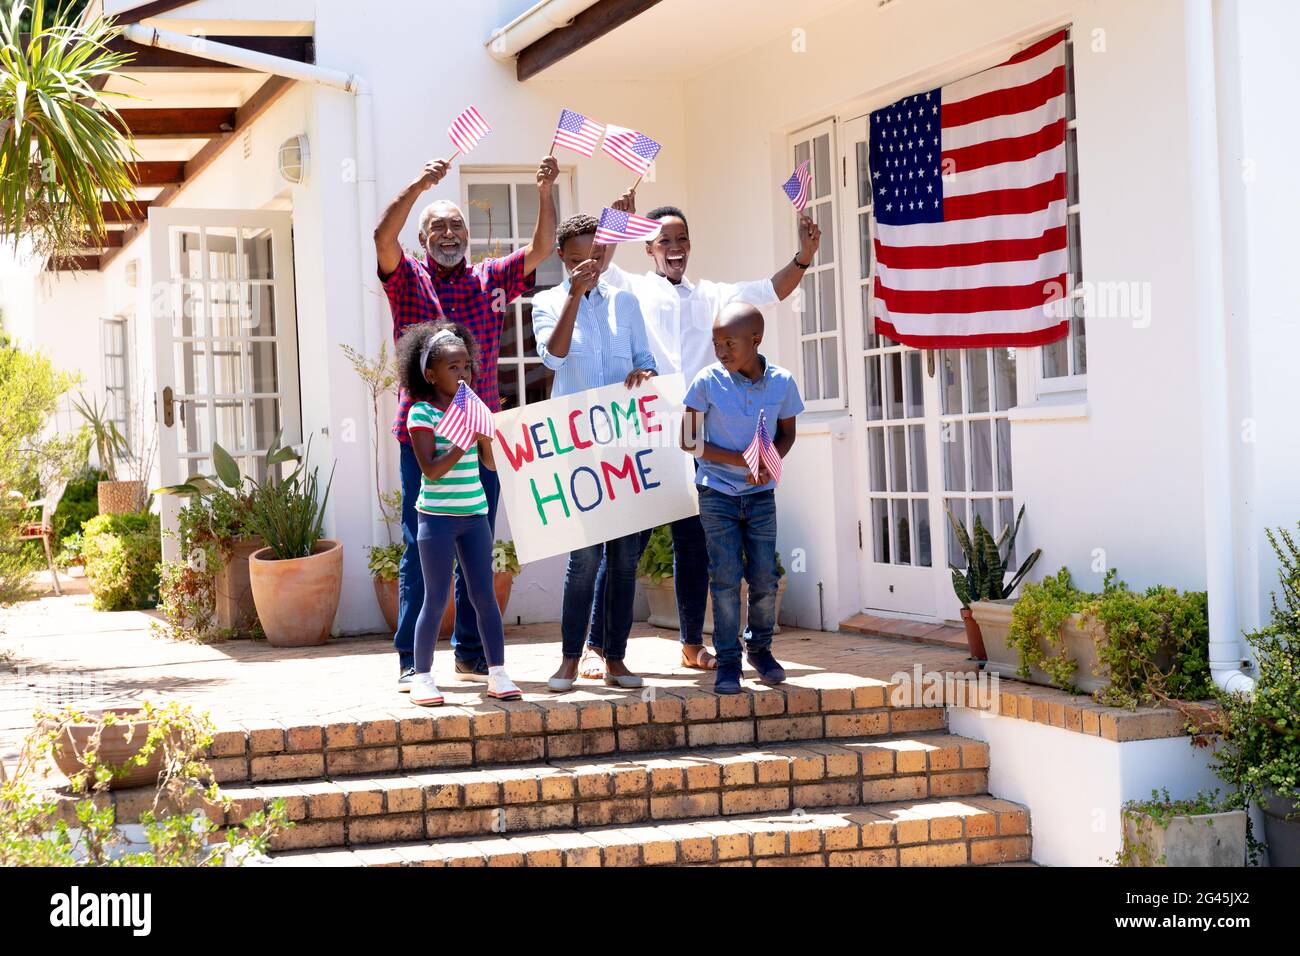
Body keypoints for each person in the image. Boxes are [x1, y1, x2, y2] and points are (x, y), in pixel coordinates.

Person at [579, 193, 820, 677]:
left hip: (696, 437)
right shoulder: (632, 288)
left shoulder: (711, 295)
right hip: (645, 434)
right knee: (624, 546)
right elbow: (597, 262)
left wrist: (804, 258)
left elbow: (771, 290)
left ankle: (691, 645)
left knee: (693, 546)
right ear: (648, 247)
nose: (674, 246)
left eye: (681, 238)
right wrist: (615, 218)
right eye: (664, 240)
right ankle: (596, 646)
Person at [374, 154, 558, 690]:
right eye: (438, 226)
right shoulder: (407, 278)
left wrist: (544, 193)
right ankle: (412, 660)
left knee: (477, 540)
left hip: (482, 435)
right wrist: (417, 183)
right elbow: (383, 237)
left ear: (468, 235)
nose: (449, 233)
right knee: (419, 542)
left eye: (457, 225)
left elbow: (541, 250)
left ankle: (473, 655)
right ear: (425, 236)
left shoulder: (489, 279)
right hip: (424, 435)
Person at [530, 214, 658, 692]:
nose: (594, 260)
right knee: (583, 559)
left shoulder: (625, 303)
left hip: (625, 449)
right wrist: (573, 297)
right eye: (583, 253)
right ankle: (568, 659)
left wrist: (644, 377)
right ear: (563, 257)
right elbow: (553, 358)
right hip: (578, 452)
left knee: (624, 559)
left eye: (600, 251)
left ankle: (616, 659)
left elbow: (646, 364)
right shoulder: (546, 301)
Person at [681, 302, 803, 695]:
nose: (722, 352)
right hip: (717, 491)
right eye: (716, 343)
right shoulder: (706, 382)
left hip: (760, 494)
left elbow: (787, 433)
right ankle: (729, 662)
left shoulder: (783, 382)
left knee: (765, 576)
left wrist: (769, 462)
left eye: (730, 343)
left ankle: (761, 650)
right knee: (726, 577)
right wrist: (738, 460)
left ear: (756, 340)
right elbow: (688, 440)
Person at [397, 321, 521, 706]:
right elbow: (430, 469)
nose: (463, 373)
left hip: (474, 516)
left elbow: (489, 463)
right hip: (435, 519)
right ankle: (421, 677)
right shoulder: (421, 413)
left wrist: (486, 439)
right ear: (430, 374)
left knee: (484, 595)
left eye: (466, 366)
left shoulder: (472, 409)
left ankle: (497, 674)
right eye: (453, 367)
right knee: (435, 598)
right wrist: (464, 438)